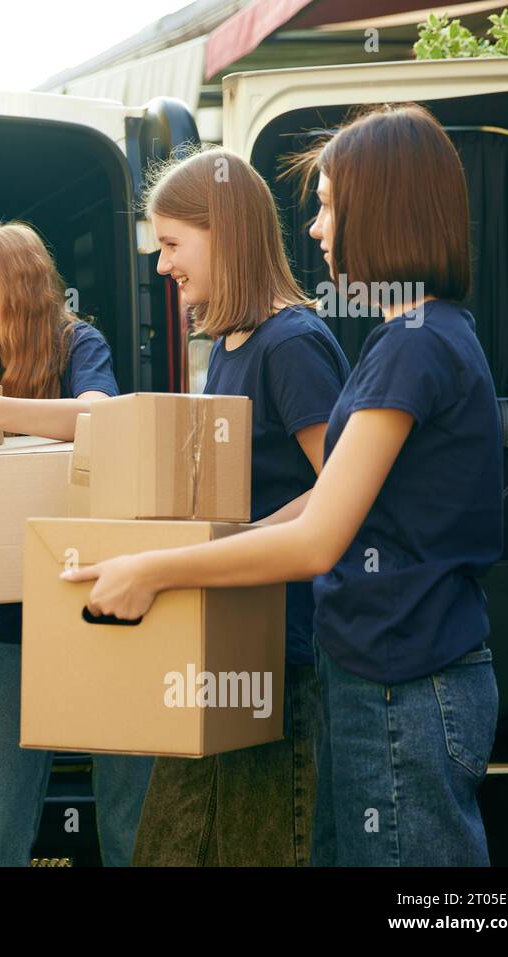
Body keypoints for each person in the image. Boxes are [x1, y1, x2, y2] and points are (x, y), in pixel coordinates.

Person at [64, 105, 501, 866]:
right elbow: (325, 506)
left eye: (330, 203)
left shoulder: (410, 346)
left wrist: (154, 569)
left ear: (382, 207)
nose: (316, 227)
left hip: (406, 683)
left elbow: (317, 537)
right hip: (390, 677)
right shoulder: (413, 336)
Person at [0, 221, 153, 866]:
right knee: (0, 815)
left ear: (28, 288)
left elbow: (105, 418)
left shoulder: (77, 343)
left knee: (128, 813)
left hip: (107, 604)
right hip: (21, 613)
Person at [129, 146, 349, 866]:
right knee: (172, 846)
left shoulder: (292, 344)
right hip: (221, 640)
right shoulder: (230, 341)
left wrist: (228, 544)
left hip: (281, 654)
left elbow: (340, 488)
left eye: (171, 244)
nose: (162, 266)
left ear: (222, 232)